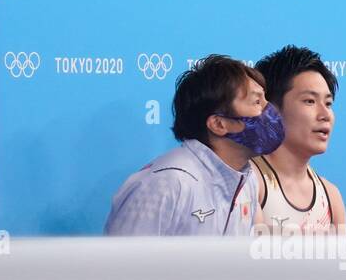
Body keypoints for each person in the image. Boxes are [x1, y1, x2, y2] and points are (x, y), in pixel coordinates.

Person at [105, 55, 281, 235]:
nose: (271, 110)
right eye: (257, 102)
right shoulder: (165, 185)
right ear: (219, 124)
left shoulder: (247, 179)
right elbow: (121, 262)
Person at [250, 45, 346, 233]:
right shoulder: (250, 182)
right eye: (309, 101)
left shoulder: (331, 196)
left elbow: (342, 262)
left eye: (328, 103)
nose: (325, 114)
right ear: (271, 111)